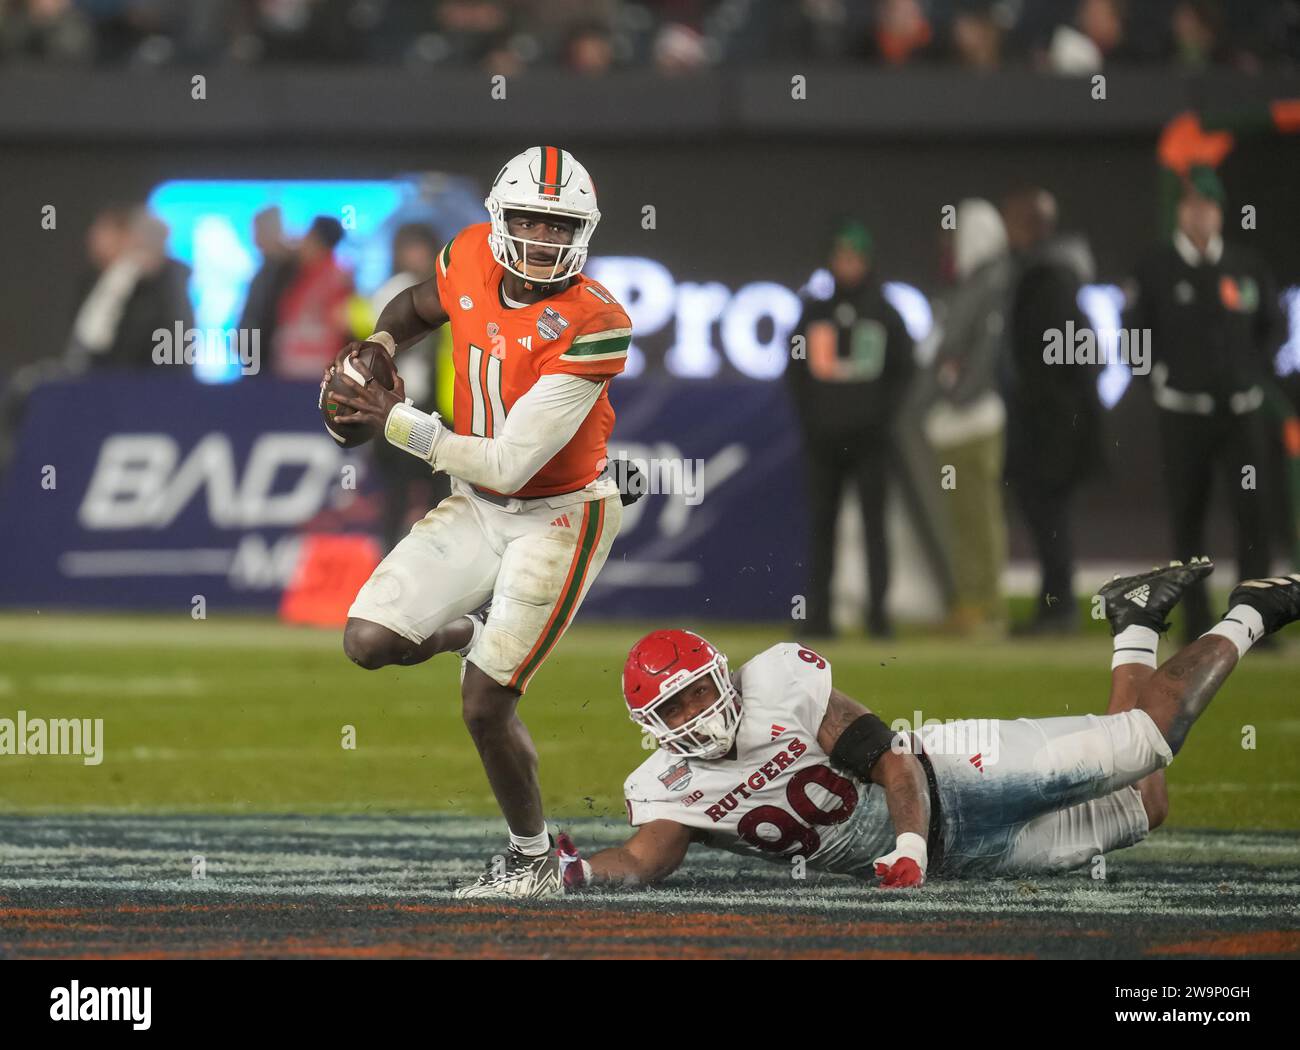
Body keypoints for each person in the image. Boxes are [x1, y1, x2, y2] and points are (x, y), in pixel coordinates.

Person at [553, 559, 1300, 890]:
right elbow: (646, 861)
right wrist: (580, 870)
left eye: (698, 693)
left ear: (722, 675)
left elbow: (890, 760)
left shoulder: (778, 684)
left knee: (1151, 739)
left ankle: (1255, 612)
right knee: (1149, 801)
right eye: (673, 708)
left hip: (957, 773)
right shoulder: (663, 784)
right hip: (963, 856)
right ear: (650, 724)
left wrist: (906, 844)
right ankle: (1135, 620)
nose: (696, 713)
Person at [325, 146, 633, 899]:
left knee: (484, 703)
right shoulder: (465, 254)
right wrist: (379, 347)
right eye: (528, 218)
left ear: (582, 233)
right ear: (499, 219)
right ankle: (472, 628)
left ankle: (531, 861)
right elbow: (413, 306)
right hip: (477, 504)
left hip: (561, 515)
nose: (541, 237)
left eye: (558, 225)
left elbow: (510, 465)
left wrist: (392, 418)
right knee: (367, 642)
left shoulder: (596, 323)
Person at [1124, 167, 1286, 643]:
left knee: (1252, 515)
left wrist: (1252, 372)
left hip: (1240, 412)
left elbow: (1273, 326)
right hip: (1184, 412)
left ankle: (1258, 625)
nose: (1201, 214)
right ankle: (1195, 625)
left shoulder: (1245, 265)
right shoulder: (1155, 267)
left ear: (1221, 212)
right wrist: (1154, 378)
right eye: (1193, 205)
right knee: (1187, 519)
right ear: (1180, 210)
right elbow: (1134, 331)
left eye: (1209, 205)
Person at [786, 219, 915, 639]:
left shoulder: (886, 313)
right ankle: (819, 615)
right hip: (824, 440)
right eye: (841, 257)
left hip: (870, 441)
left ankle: (879, 615)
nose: (847, 265)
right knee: (822, 528)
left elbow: (904, 374)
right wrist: (814, 420)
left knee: (876, 528)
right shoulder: (815, 312)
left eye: (853, 258)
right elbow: (795, 372)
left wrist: (880, 419)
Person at [1001, 186, 1102, 634]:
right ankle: (1054, 606)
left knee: (1050, 516)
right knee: (1046, 516)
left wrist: (1047, 404)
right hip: (1053, 421)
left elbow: (1081, 355)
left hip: (1052, 427)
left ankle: (1059, 609)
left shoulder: (1048, 279)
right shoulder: (1050, 275)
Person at [920, 199, 1012, 635]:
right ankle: (971, 600)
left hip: (974, 418)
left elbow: (982, 352)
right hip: (959, 420)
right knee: (965, 517)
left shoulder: (991, 283)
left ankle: (987, 603)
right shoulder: (971, 283)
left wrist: (955, 391)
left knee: (979, 516)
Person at [66, 206, 194, 371]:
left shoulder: (162, 281)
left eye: (103, 233)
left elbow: (173, 342)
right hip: (95, 379)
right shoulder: (90, 281)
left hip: (146, 383)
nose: (93, 239)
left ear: (127, 237)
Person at [273, 216, 353, 380]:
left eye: (308, 237)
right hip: (294, 367)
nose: (302, 243)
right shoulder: (301, 274)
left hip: (316, 370)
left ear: (317, 241)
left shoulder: (337, 278)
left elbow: (341, 323)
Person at [237, 206, 296, 365]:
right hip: (256, 360)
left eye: (259, 230)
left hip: (273, 361)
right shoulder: (264, 270)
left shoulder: (288, 271)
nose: (255, 238)